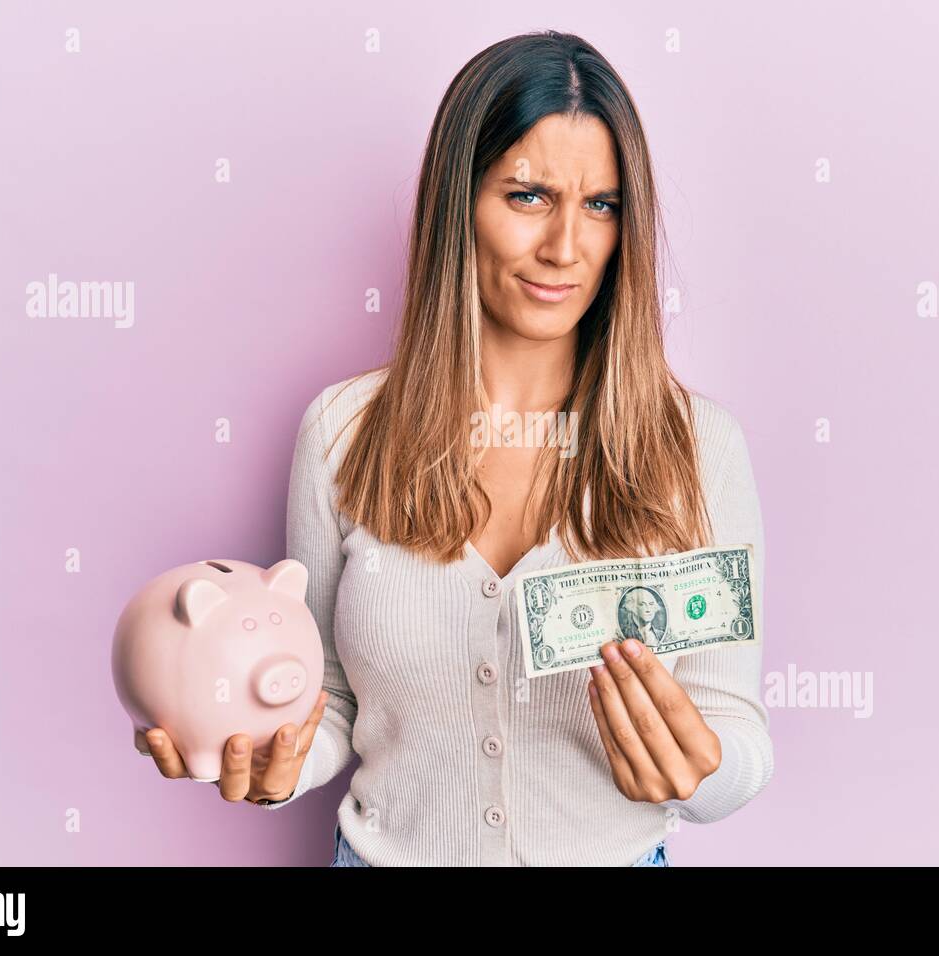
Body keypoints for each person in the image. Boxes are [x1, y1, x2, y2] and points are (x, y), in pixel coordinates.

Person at [141, 29, 773, 867]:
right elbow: (328, 696)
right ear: (458, 203)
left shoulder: (699, 448)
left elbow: (737, 729)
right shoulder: (342, 432)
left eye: (601, 205)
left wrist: (700, 771)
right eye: (527, 196)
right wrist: (272, 767)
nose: (566, 248)